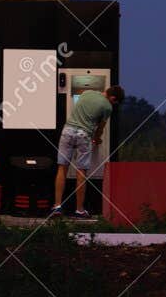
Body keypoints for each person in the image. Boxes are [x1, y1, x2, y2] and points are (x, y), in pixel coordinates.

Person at [52, 84, 124, 218]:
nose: (114, 104)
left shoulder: (87, 92)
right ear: (113, 98)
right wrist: (97, 139)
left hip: (67, 131)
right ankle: (79, 210)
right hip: (84, 135)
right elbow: (100, 129)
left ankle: (57, 207)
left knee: (62, 168)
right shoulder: (107, 107)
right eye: (115, 102)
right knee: (81, 171)